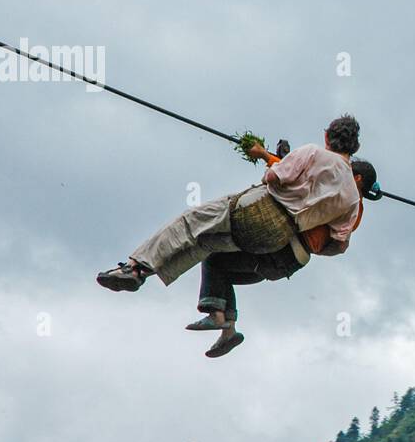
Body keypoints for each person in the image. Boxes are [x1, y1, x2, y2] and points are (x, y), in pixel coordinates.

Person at [96, 114, 376, 357]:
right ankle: (218, 320)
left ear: (327, 136)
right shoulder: (352, 199)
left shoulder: (314, 153)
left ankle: (134, 268)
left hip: (257, 211)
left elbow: (274, 178)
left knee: (190, 223)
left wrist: (266, 157)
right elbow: (339, 245)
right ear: (356, 147)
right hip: (278, 238)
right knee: (206, 245)